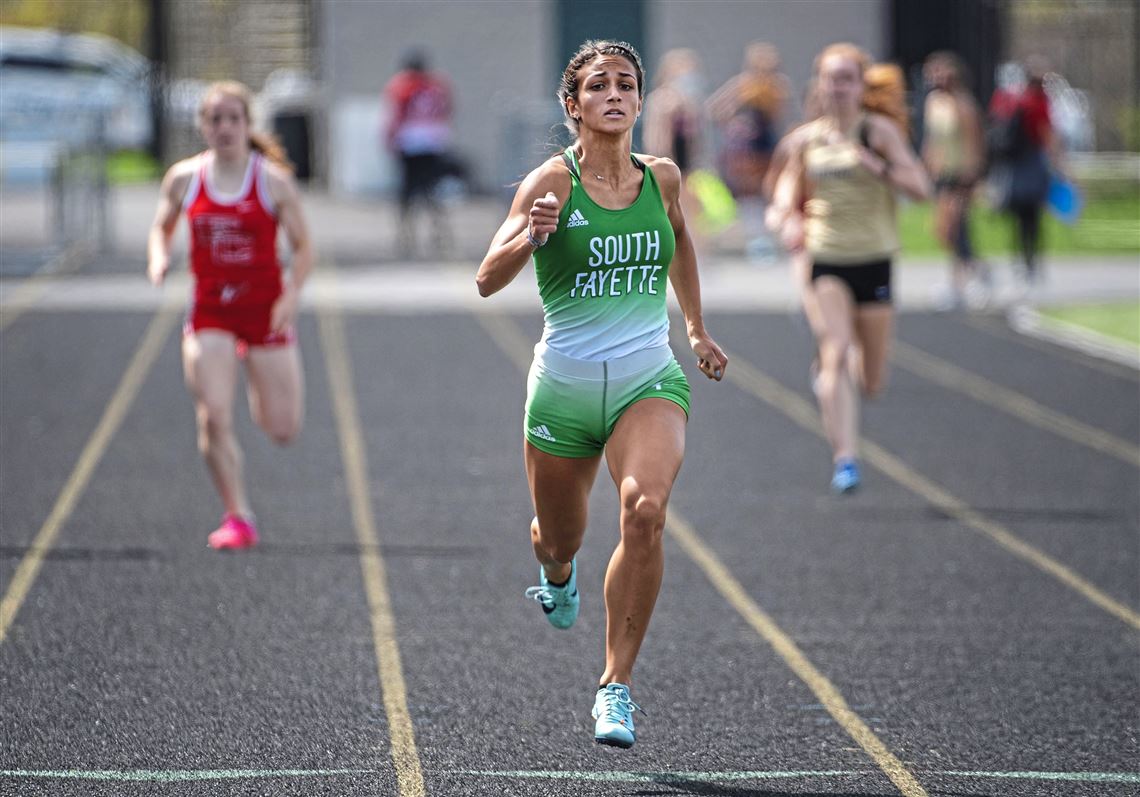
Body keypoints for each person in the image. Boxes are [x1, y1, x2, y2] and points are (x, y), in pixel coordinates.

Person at [475, 40, 727, 749]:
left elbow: (678, 239)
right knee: (561, 539)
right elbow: (486, 279)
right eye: (597, 86)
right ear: (572, 105)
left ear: (641, 101)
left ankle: (615, 684)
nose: (613, 94)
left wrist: (698, 329)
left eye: (625, 84)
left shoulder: (665, 178)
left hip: (649, 377)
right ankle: (555, 572)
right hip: (564, 390)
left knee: (644, 512)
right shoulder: (549, 183)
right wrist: (530, 233)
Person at [147, 80, 313, 550]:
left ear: (246, 124)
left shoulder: (272, 181)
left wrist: (291, 295)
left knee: (282, 429)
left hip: (265, 312)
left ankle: (258, 381)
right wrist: (159, 257)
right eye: (214, 119)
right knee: (214, 416)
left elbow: (304, 249)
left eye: (232, 119)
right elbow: (160, 228)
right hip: (211, 313)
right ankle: (237, 516)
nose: (223, 128)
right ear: (202, 126)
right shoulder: (184, 178)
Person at [766, 44, 930, 493]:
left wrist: (879, 167)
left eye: (846, 79)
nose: (837, 87)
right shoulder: (806, 140)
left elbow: (921, 188)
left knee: (872, 381)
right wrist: (786, 219)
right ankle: (845, 458)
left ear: (860, 85)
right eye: (830, 78)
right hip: (827, 259)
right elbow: (783, 195)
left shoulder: (877, 133)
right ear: (819, 83)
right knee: (834, 347)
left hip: (874, 261)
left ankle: (844, 375)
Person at [922, 51, 988, 309]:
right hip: (943, 172)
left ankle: (963, 280)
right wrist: (926, 167)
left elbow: (975, 141)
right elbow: (932, 139)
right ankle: (973, 270)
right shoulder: (933, 102)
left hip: (963, 173)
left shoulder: (964, 104)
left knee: (957, 226)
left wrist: (974, 175)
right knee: (945, 230)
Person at [987, 56, 1059, 288]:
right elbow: (1047, 135)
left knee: (1017, 218)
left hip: (1013, 166)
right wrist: (1060, 165)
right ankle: (1032, 261)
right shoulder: (1038, 102)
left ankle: (1019, 260)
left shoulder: (1010, 98)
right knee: (1033, 218)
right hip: (1032, 164)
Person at [383, 49, 455, 258]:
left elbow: (396, 113)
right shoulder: (437, 86)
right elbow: (448, 109)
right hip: (433, 141)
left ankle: (405, 235)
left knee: (407, 191)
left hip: (410, 142)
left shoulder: (402, 86)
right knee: (432, 190)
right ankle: (439, 233)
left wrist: (390, 137)